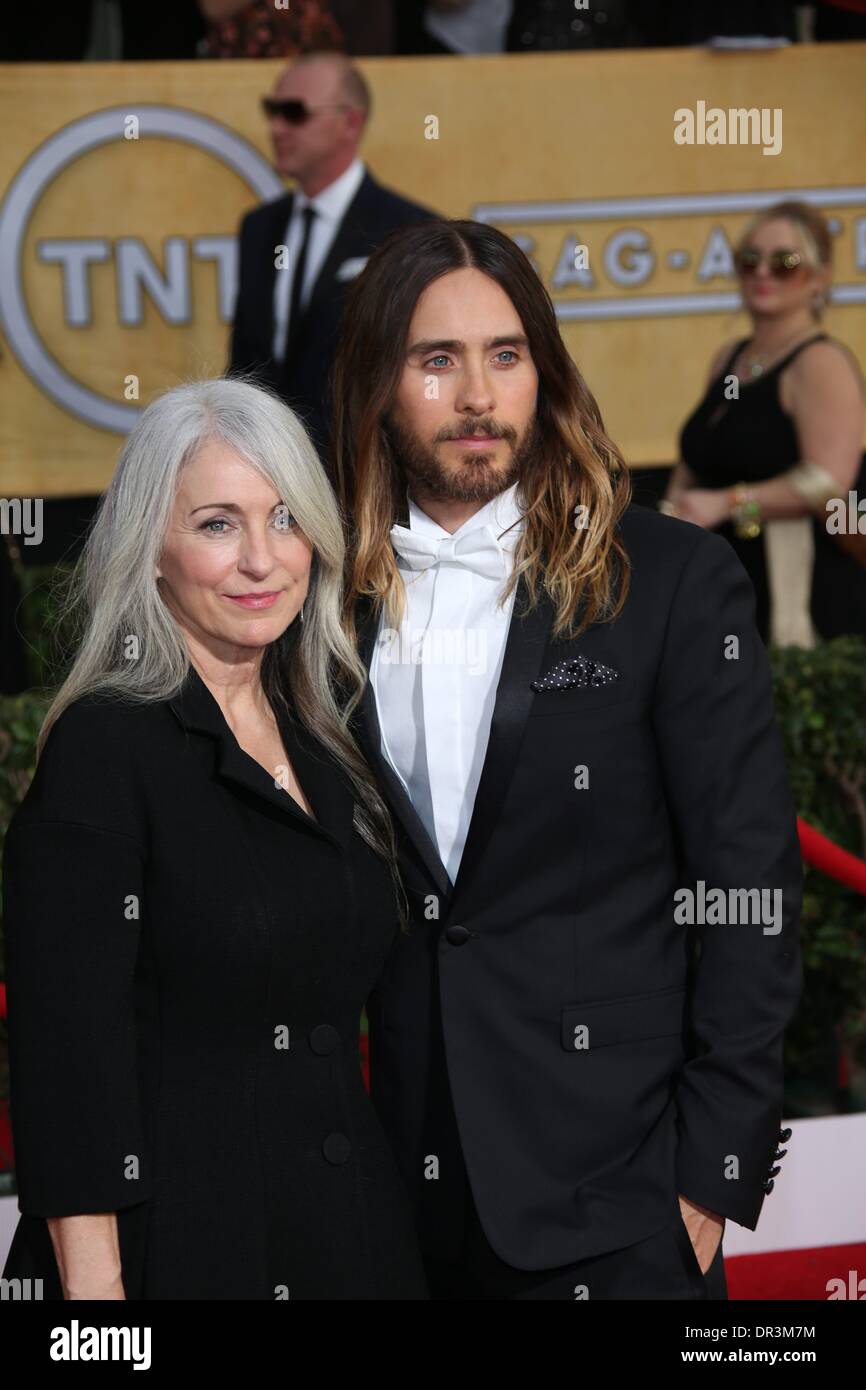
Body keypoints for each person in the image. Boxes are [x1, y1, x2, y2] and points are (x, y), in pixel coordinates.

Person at [331, 218, 802, 1300]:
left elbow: (745, 884)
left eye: (506, 355)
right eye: (434, 360)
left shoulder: (665, 581)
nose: (477, 396)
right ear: (376, 383)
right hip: (401, 1199)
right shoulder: (323, 594)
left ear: (543, 370)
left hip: (624, 1198)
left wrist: (712, 1174)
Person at [1, 378, 429, 1300]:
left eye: (284, 519)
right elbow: (69, 1048)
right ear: (151, 548)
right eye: (218, 525)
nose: (261, 561)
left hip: (348, 1234)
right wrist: (94, 1300)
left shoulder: (330, 735)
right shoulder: (106, 746)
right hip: (180, 1249)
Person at [228, 51, 438, 473]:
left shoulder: (409, 230)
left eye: (293, 113)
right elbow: (246, 363)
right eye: (271, 111)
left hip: (368, 480)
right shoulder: (259, 228)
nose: (275, 128)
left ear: (351, 123)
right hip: (270, 478)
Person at [669, 200, 866, 646]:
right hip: (724, 587)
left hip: (801, 600)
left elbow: (827, 484)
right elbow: (698, 457)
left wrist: (727, 504)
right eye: (749, 260)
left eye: (785, 263)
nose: (762, 273)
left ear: (819, 276)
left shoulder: (821, 361)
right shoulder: (731, 358)